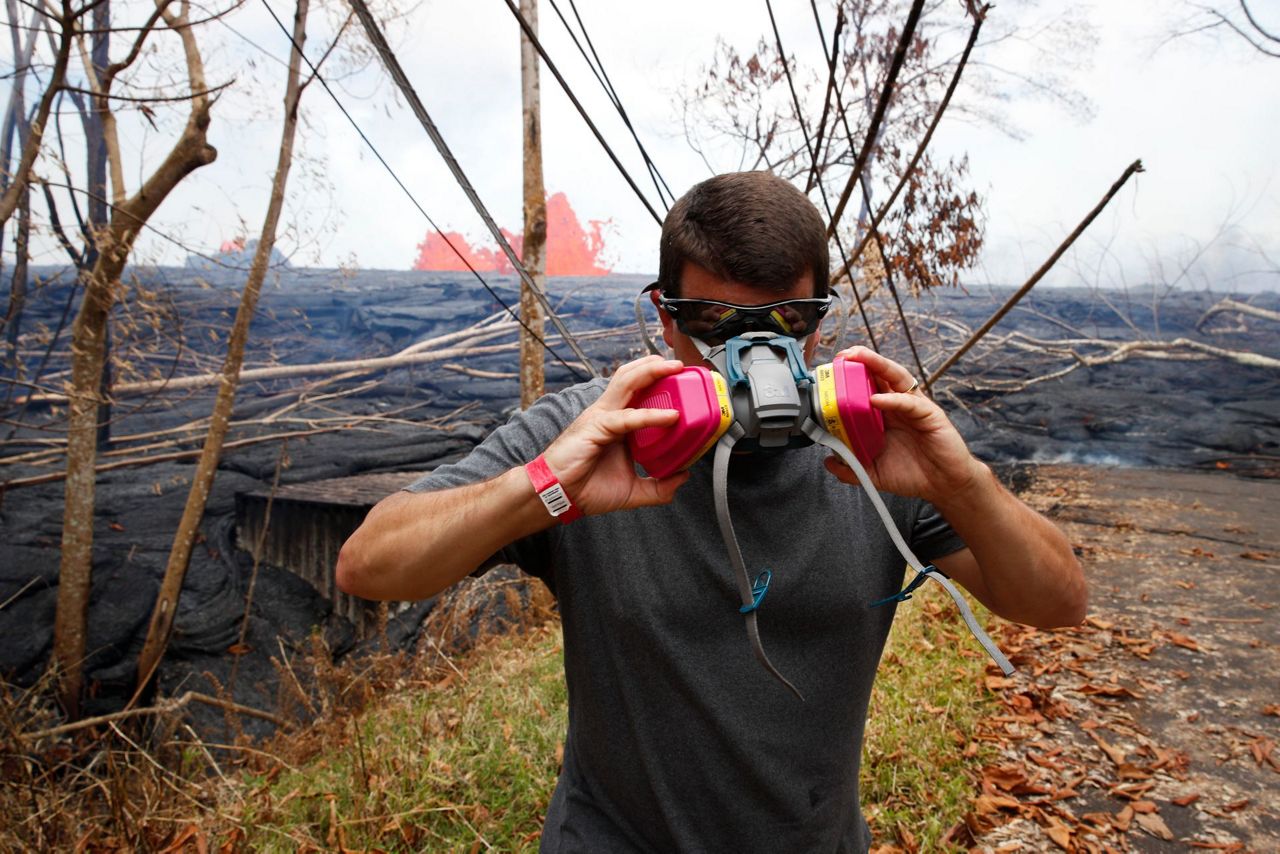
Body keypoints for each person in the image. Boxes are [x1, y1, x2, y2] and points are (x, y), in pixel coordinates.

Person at [337, 171, 1086, 852]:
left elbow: (1058, 602)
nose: (754, 354)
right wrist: (544, 487)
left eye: (788, 320)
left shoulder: (875, 449)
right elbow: (370, 565)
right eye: (717, 323)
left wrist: (961, 486)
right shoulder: (592, 434)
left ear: (820, 322)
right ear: (665, 318)